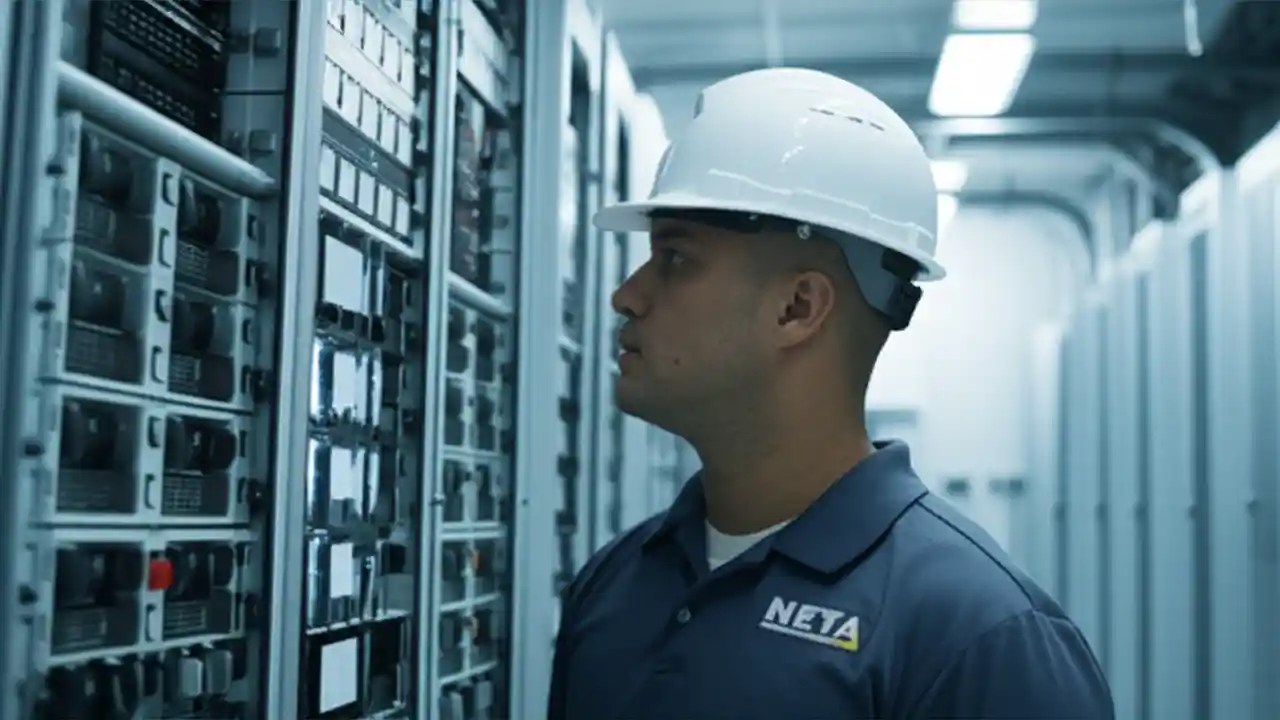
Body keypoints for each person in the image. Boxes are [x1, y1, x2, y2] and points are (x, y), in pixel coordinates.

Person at [546, 67, 1114, 719]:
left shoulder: (981, 637)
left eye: (674, 259)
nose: (627, 295)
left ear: (797, 306)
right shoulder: (614, 583)